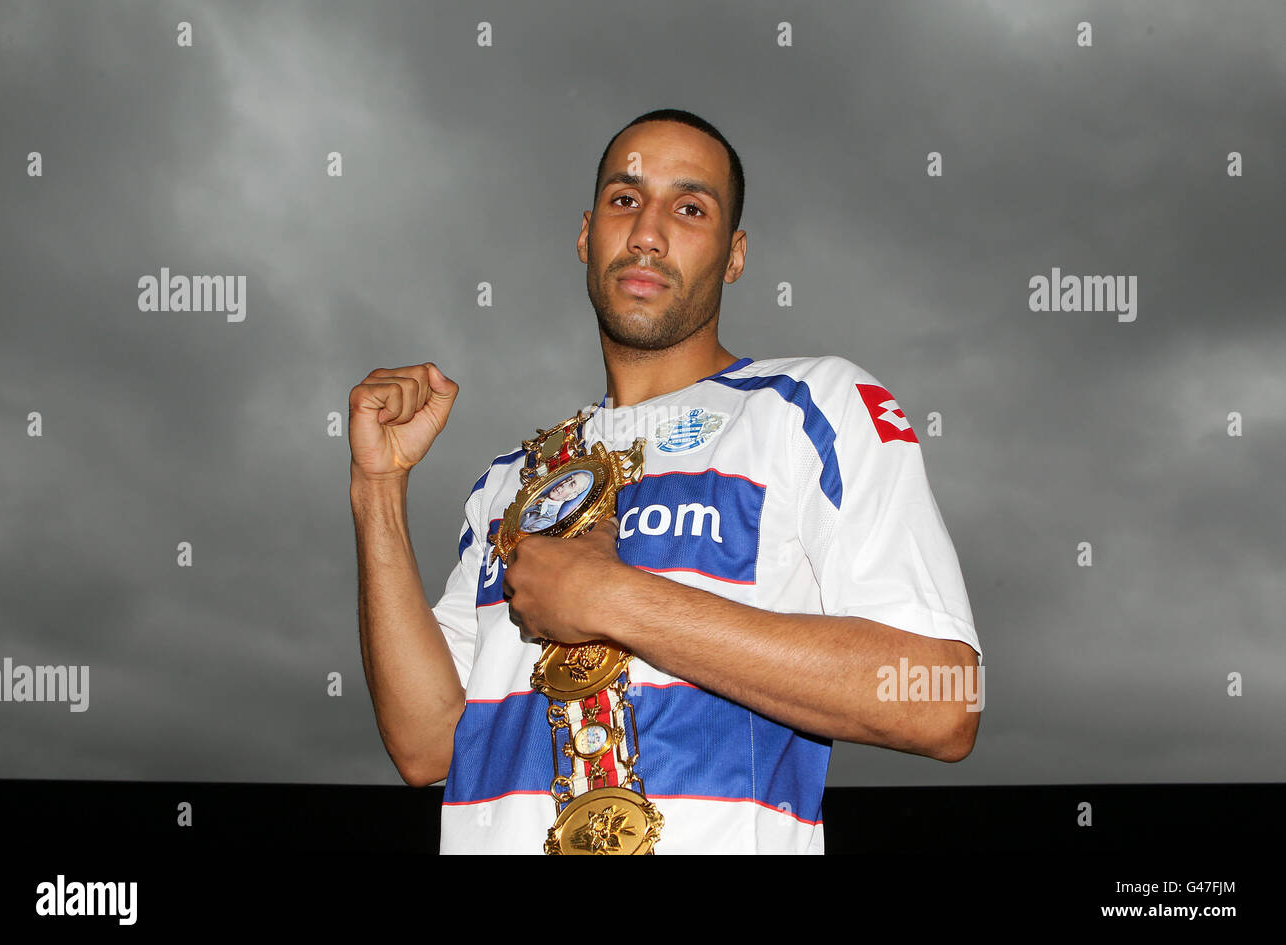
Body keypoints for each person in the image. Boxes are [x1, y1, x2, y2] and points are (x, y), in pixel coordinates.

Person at [348, 109, 983, 854]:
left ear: (735, 254)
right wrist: (378, 490)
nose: (648, 231)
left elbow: (945, 701)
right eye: (625, 199)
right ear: (587, 235)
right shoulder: (512, 480)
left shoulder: (812, 408)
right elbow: (426, 744)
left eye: (689, 207)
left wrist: (614, 599)